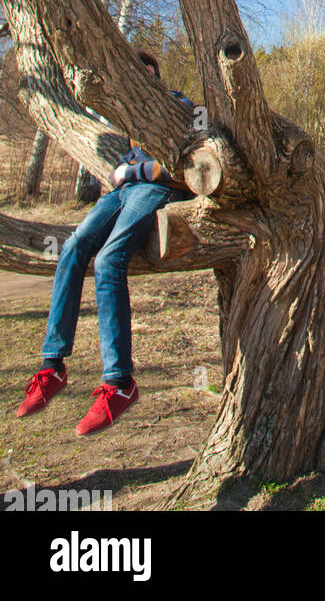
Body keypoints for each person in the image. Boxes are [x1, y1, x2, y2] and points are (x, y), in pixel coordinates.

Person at [14, 50, 195, 436]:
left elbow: (177, 167)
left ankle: (119, 383)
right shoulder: (129, 119)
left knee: (108, 260)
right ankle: (52, 366)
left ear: (157, 78)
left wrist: (130, 170)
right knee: (76, 246)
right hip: (123, 193)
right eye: (133, 73)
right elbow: (118, 175)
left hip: (153, 189)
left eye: (147, 73)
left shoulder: (179, 104)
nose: (140, 79)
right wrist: (127, 171)